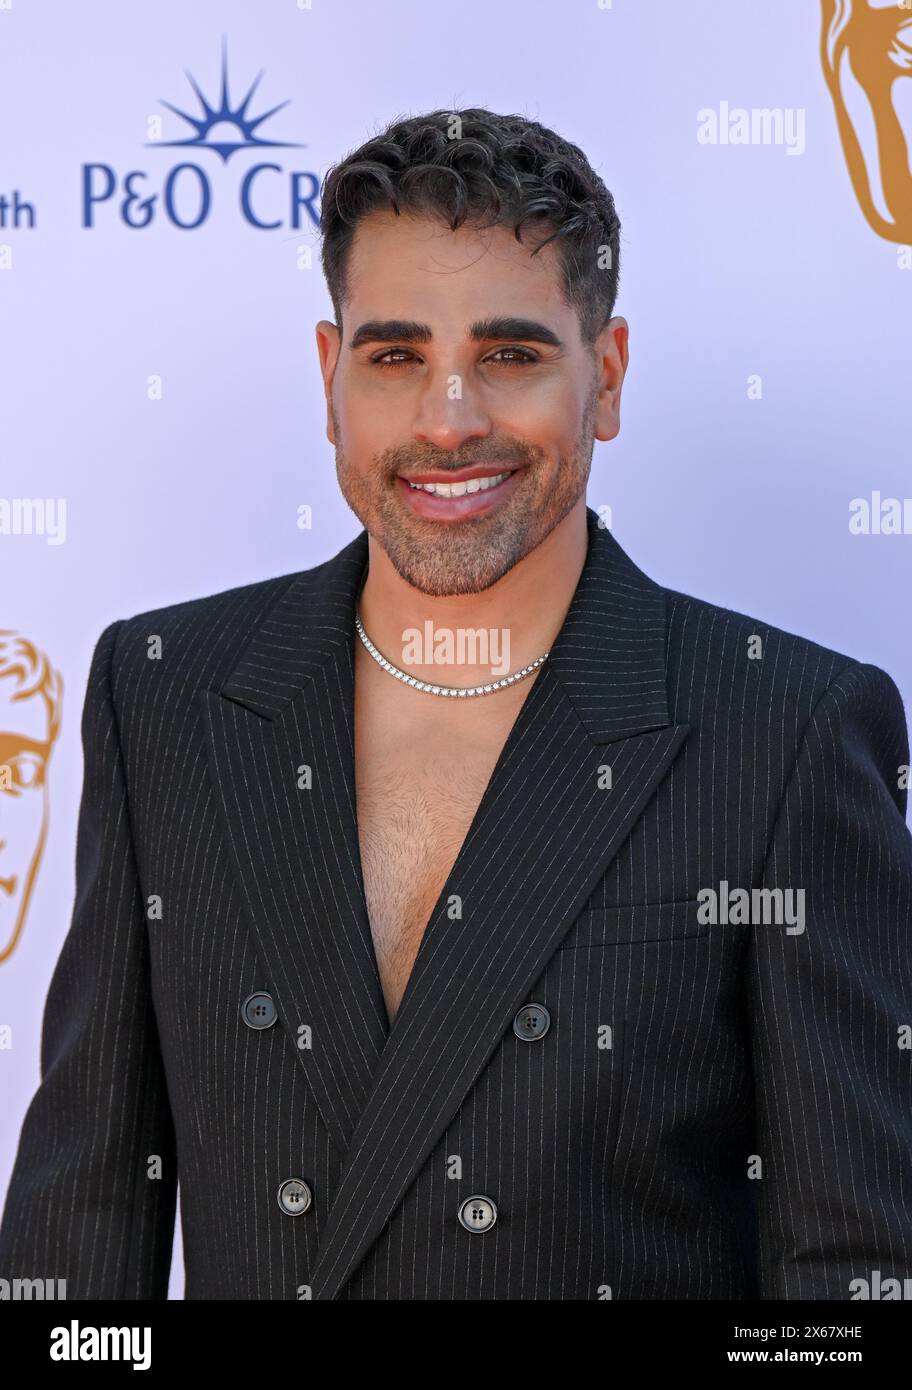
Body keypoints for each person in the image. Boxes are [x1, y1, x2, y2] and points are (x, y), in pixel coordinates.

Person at [1, 108, 910, 1301]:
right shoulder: (163, 693)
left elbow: (852, 1285)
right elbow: (80, 1242)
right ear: (331, 381)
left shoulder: (786, 728)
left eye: (511, 355)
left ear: (609, 376)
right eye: (394, 358)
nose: (448, 419)